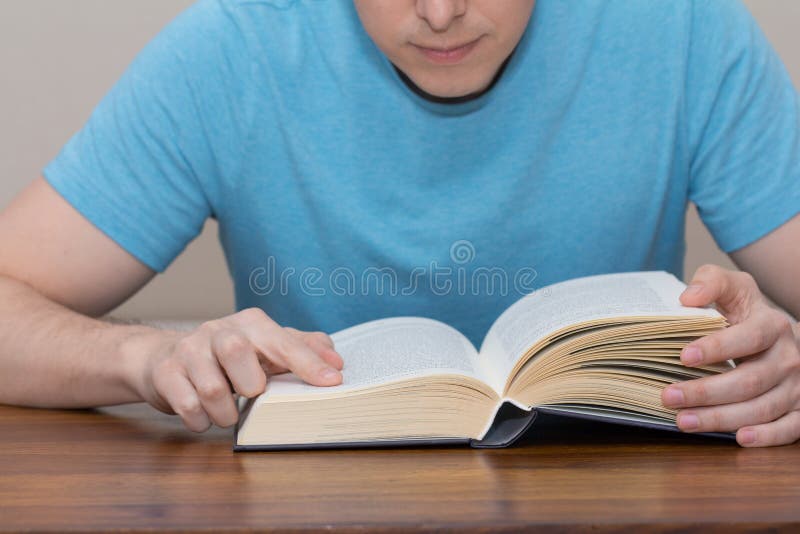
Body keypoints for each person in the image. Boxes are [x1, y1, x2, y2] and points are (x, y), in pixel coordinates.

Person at [0, 0, 798, 447]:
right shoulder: (231, 49)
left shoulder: (685, 28)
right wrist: (148, 358)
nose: (442, 12)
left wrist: (790, 360)